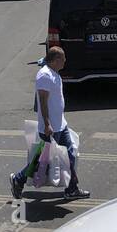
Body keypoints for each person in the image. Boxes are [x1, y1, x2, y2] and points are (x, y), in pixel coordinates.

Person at [9, 47, 89, 201]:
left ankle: (72, 189)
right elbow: (43, 102)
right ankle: (18, 179)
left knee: (70, 155)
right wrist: (47, 124)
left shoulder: (52, 72)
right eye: (63, 58)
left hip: (61, 125)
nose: (65, 61)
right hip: (50, 128)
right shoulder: (45, 76)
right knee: (41, 162)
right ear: (55, 60)